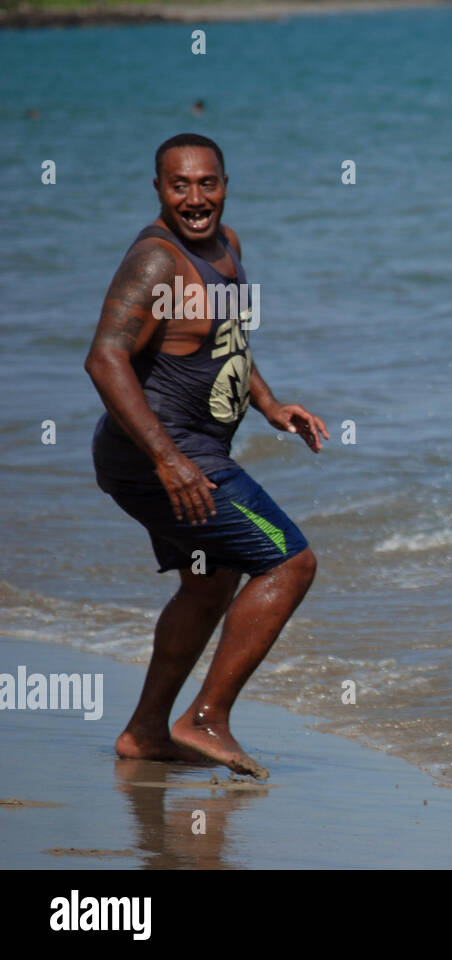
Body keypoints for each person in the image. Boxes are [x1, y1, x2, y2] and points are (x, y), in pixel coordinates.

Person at [84, 133, 327, 780]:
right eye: (179, 186)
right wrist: (167, 460)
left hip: (184, 452)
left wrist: (270, 405)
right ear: (159, 190)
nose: (196, 199)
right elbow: (104, 359)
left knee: (211, 579)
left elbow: (228, 341)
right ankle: (206, 718)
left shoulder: (228, 246)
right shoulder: (155, 263)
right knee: (291, 561)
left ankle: (144, 733)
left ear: (225, 183)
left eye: (207, 183)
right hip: (157, 455)